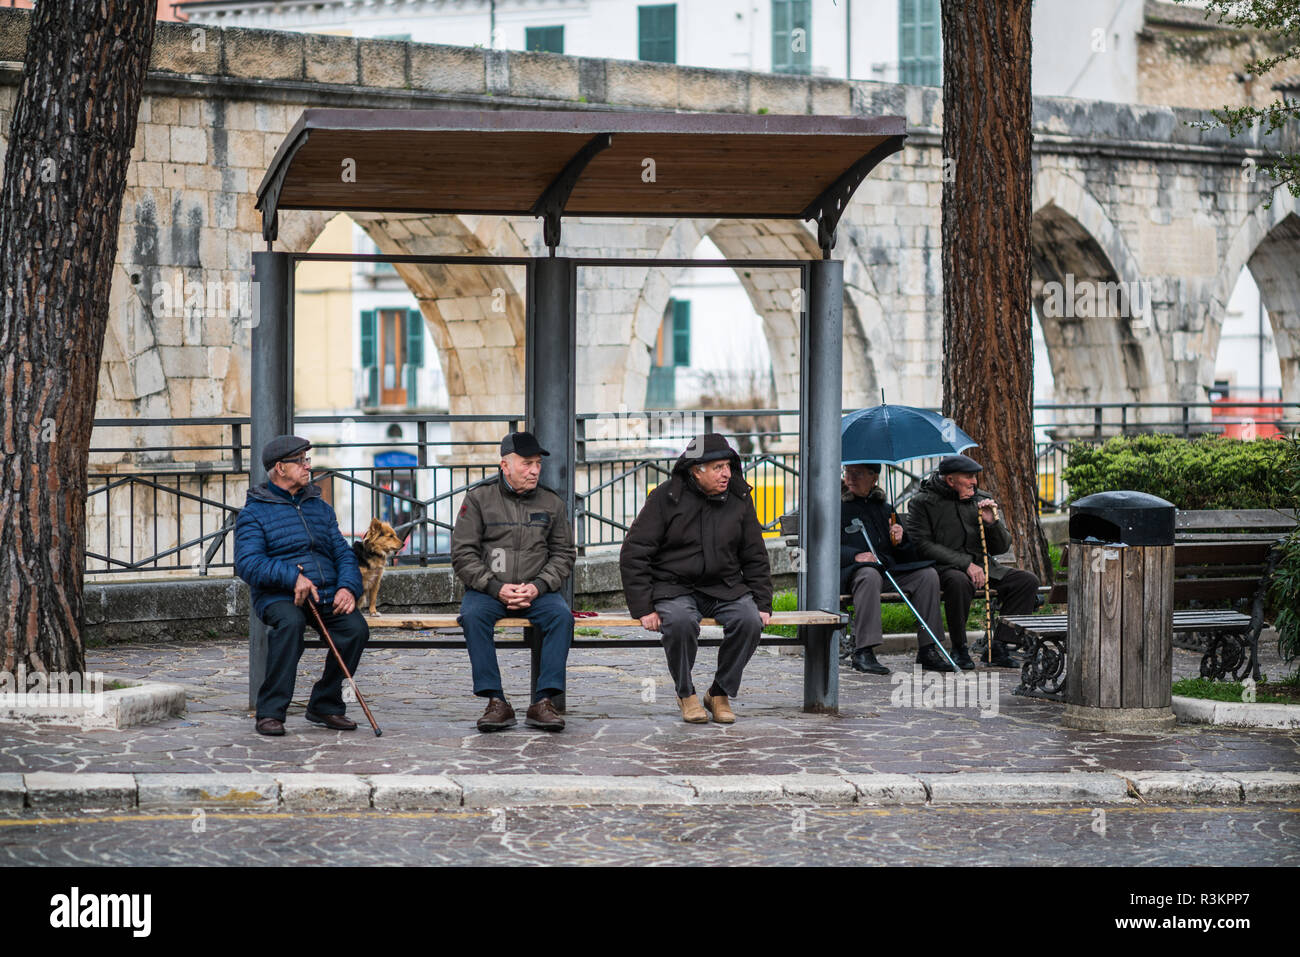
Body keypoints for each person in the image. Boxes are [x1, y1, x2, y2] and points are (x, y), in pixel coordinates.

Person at [619, 433, 773, 725]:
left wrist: (763, 602)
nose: (726, 473)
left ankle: (719, 692)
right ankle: (686, 692)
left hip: (725, 587)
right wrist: (643, 608)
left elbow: (755, 554)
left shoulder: (739, 499)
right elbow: (634, 553)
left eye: (728, 466)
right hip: (673, 587)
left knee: (750, 621)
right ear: (695, 469)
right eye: (718, 468)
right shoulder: (665, 497)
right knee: (679, 622)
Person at [235, 435, 369, 736]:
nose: (308, 466)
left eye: (307, 460)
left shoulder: (318, 507)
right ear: (281, 468)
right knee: (290, 625)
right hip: (279, 595)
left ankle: (326, 704)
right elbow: (247, 563)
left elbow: (342, 552)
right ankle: (270, 711)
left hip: (327, 591)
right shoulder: (254, 512)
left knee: (355, 630)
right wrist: (291, 577)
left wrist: (349, 587)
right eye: (301, 461)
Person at [451, 431, 576, 732]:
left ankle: (543, 701)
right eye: (526, 464)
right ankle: (496, 701)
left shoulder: (551, 503)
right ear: (505, 465)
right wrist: (496, 587)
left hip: (538, 592)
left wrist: (539, 586)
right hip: (489, 591)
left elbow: (564, 554)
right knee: (472, 616)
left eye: (537, 464)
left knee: (561, 617)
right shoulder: (478, 499)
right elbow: (462, 553)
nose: (534, 470)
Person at [904, 454, 1040, 668]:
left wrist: (992, 523)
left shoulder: (980, 499)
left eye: (974, 477)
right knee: (959, 582)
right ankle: (959, 648)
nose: (974, 482)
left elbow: (1002, 547)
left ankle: (999, 646)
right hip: (943, 568)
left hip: (983, 568)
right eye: (968, 477)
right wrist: (966, 563)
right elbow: (922, 545)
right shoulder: (923, 502)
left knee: (1026, 581)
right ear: (950, 480)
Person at [839, 463, 958, 674]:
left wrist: (900, 540)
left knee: (927, 576)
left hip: (887, 571)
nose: (850, 478)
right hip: (851, 573)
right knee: (868, 574)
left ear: (873, 478)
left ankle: (928, 649)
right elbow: (823, 546)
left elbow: (908, 556)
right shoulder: (836, 506)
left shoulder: (884, 509)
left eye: (857, 474)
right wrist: (855, 555)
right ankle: (864, 651)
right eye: (848, 472)